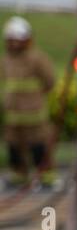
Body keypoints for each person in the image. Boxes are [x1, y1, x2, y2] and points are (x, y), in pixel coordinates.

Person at [1, 16, 58, 190]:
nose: (14, 44)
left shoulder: (37, 59)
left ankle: (46, 176)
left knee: (39, 145)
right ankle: (18, 175)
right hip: (13, 117)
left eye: (17, 40)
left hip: (35, 115)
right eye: (11, 40)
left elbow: (50, 80)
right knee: (14, 146)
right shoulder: (5, 60)